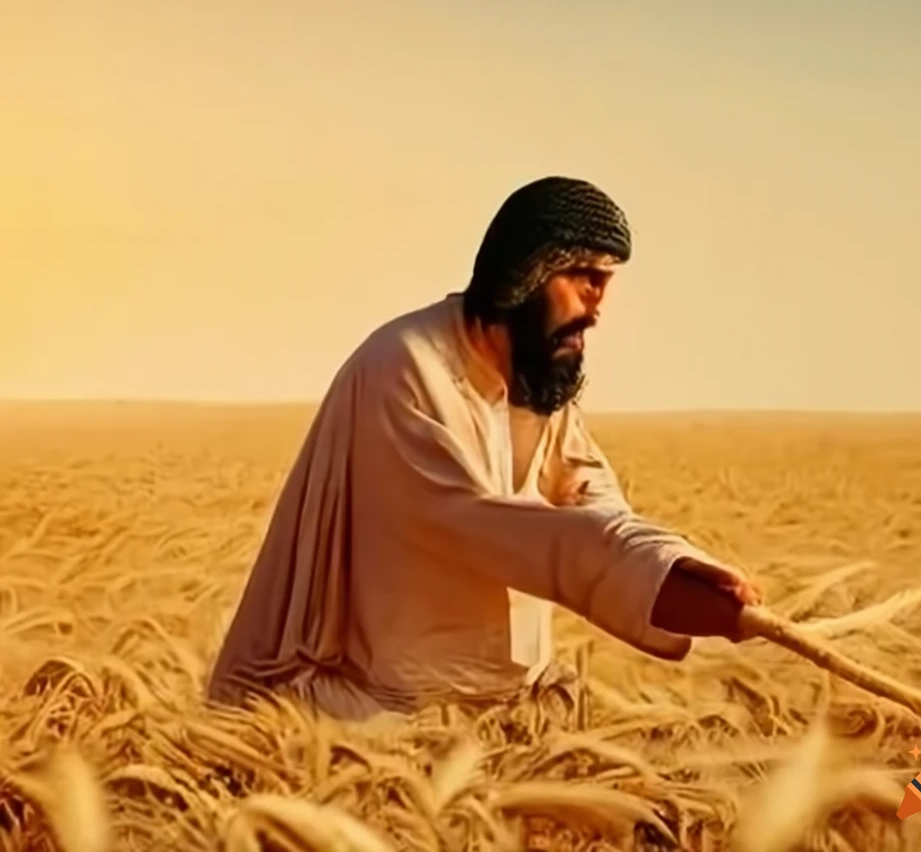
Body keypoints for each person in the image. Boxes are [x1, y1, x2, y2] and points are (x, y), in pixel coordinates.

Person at [207, 176, 760, 721]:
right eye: (584, 277)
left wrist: (680, 565)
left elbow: (592, 499)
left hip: (510, 712)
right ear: (524, 272)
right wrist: (659, 580)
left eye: (607, 281)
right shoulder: (404, 367)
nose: (597, 308)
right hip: (384, 713)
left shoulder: (535, 375)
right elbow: (479, 528)